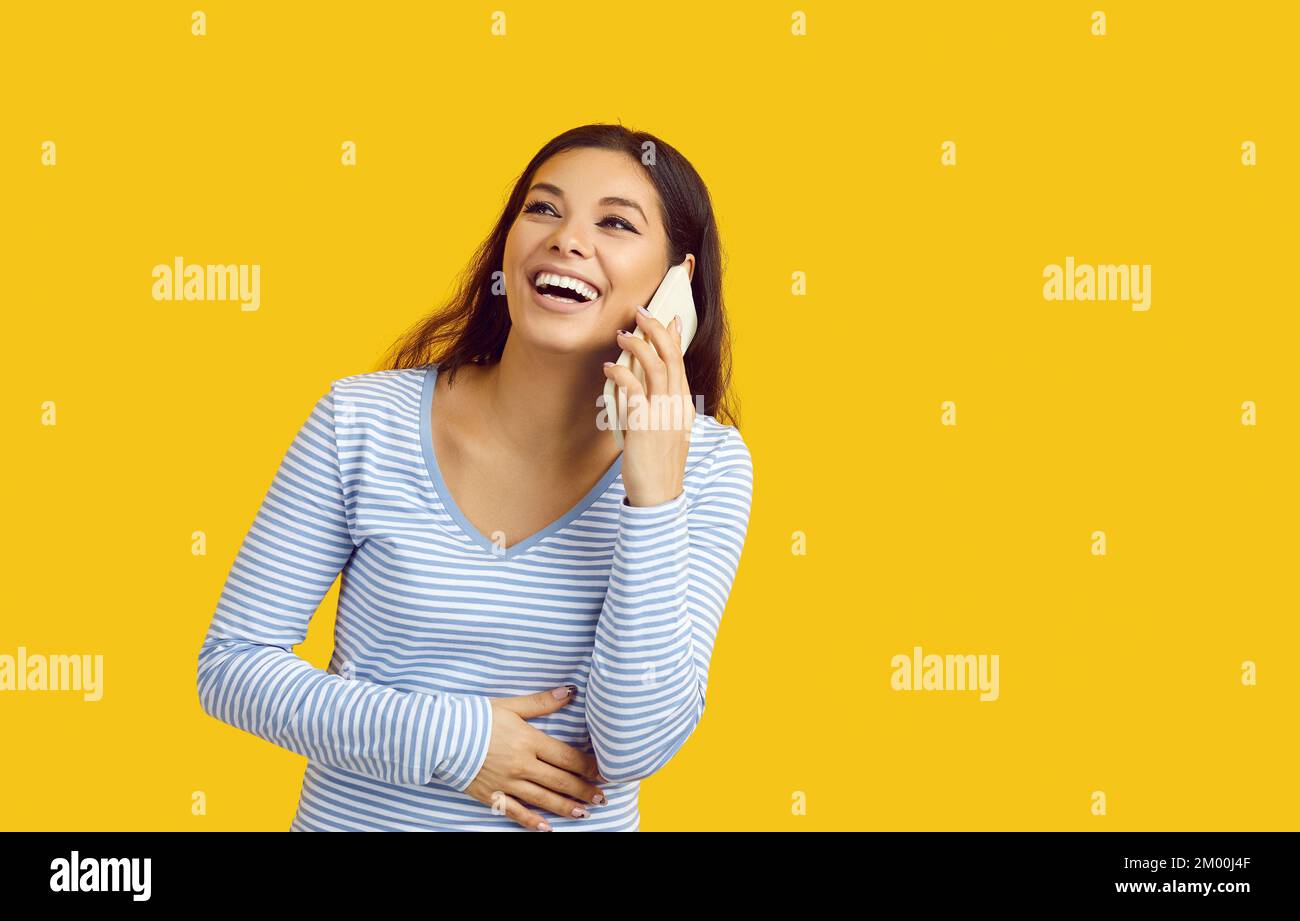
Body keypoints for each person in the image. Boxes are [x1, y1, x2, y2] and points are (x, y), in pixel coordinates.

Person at [196, 124, 754, 831]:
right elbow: (233, 666)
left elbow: (634, 744)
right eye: (543, 209)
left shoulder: (706, 466)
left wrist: (652, 495)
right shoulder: (361, 420)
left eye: (615, 222)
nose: (567, 239)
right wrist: (457, 742)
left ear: (679, 279)